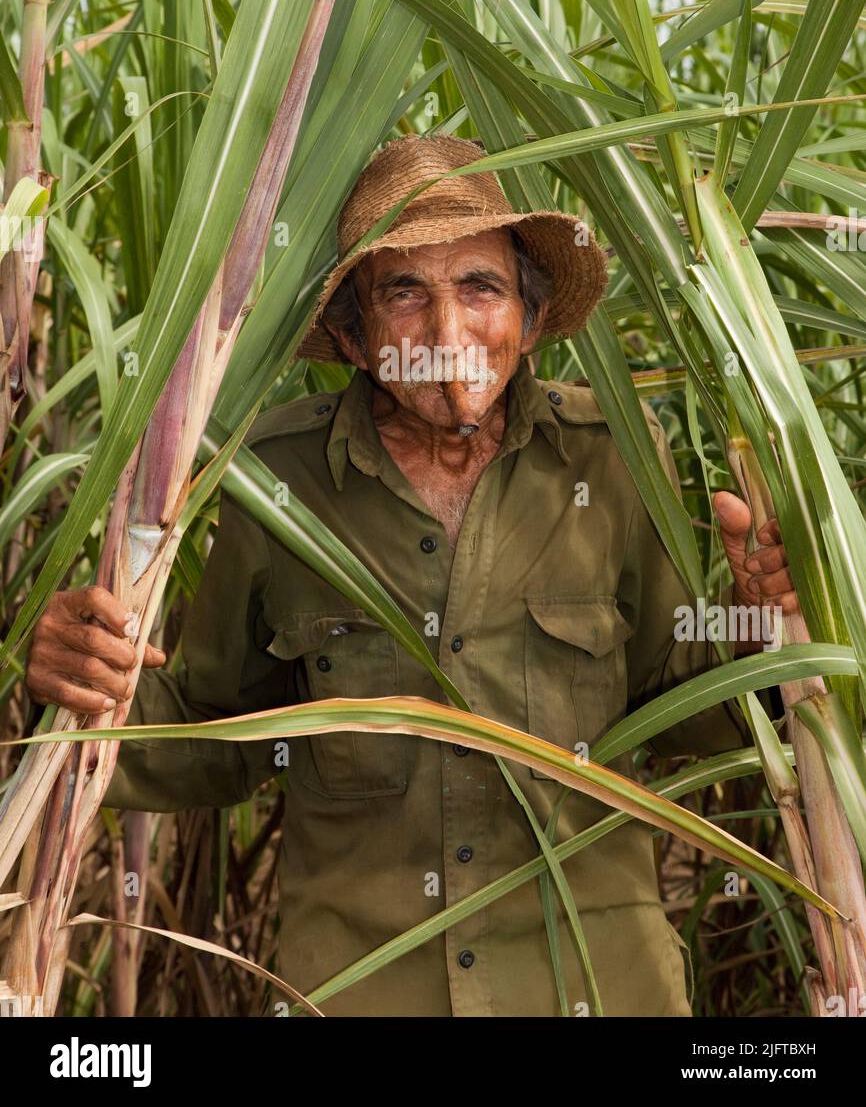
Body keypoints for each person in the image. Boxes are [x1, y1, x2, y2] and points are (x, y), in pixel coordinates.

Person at [26, 134, 796, 1017]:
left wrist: (762, 626)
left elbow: (682, 700)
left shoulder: (613, 456)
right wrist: (79, 686)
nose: (446, 333)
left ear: (531, 319)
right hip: (362, 990)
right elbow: (211, 732)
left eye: (480, 287)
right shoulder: (278, 479)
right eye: (404, 293)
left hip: (597, 985)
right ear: (353, 336)